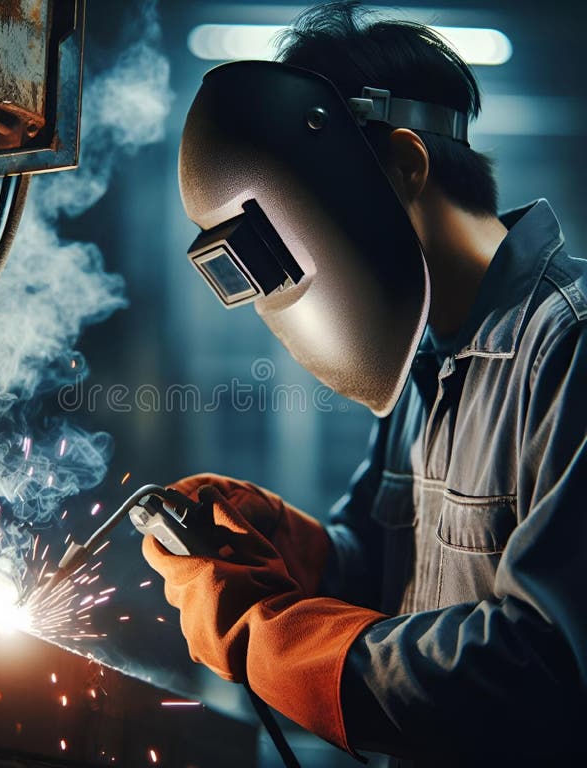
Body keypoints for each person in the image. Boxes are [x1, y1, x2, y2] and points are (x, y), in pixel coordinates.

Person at [143, 2, 587, 765]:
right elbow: (386, 576)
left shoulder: (569, 345)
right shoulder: (425, 357)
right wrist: (286, 542)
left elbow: (542, 668)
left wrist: (270, 642)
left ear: (407, 167)